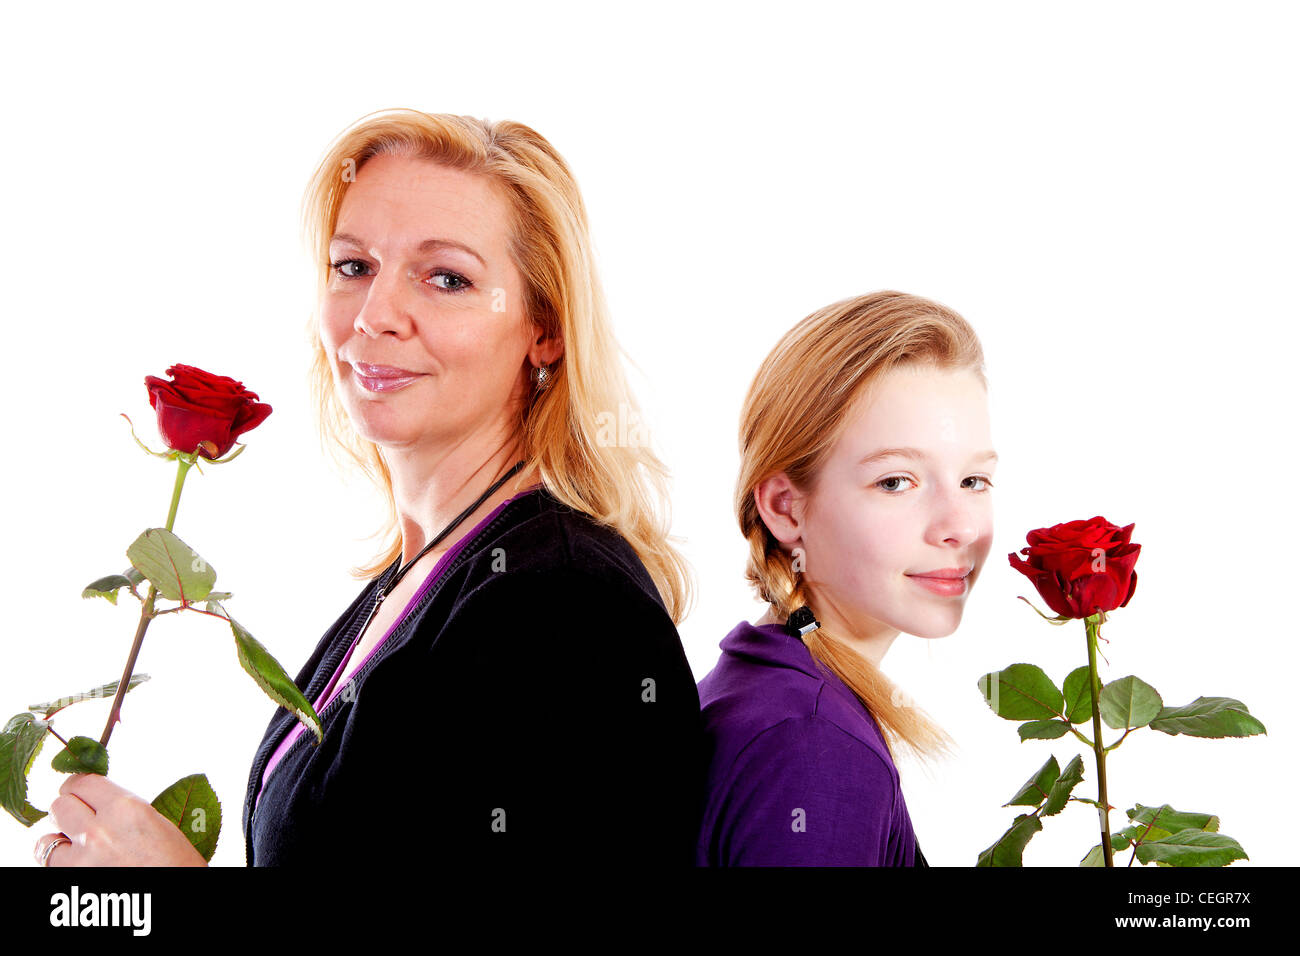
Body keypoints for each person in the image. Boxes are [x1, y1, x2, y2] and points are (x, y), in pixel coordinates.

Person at [35, 110, 703, 868]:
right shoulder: (427, 570)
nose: (376, 316)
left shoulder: (564, 602)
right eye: (353, 266)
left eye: (447, 278)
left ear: (543, 329)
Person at [696, 291, 996, 866]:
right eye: (896, 482)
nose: (957, 526)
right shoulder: (810, 748)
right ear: (786, 508)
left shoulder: (772, 694)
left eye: (974, 480)